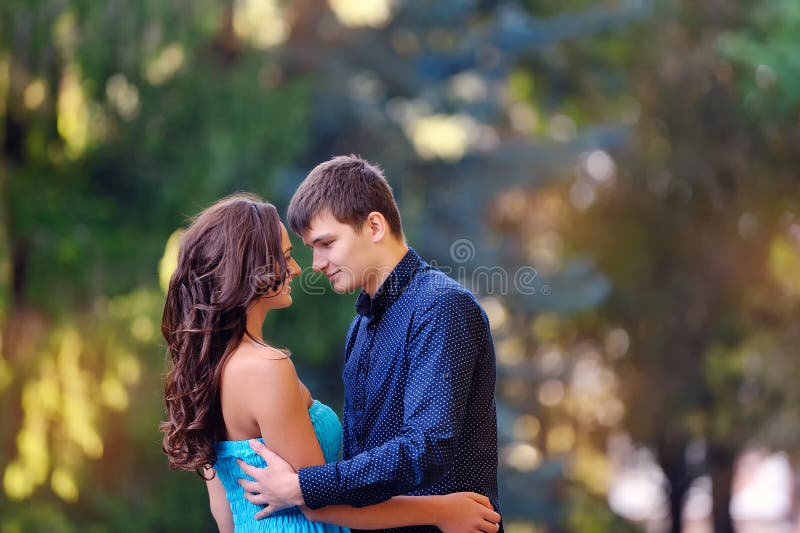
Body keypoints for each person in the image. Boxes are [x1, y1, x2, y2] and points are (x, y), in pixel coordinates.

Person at [160, 193, 501, 532]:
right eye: (285, 257)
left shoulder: (209, 372)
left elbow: (225, 516)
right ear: (247, 269)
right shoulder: (266, 367)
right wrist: (441, 511)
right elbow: (317, 503)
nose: (297, 268)